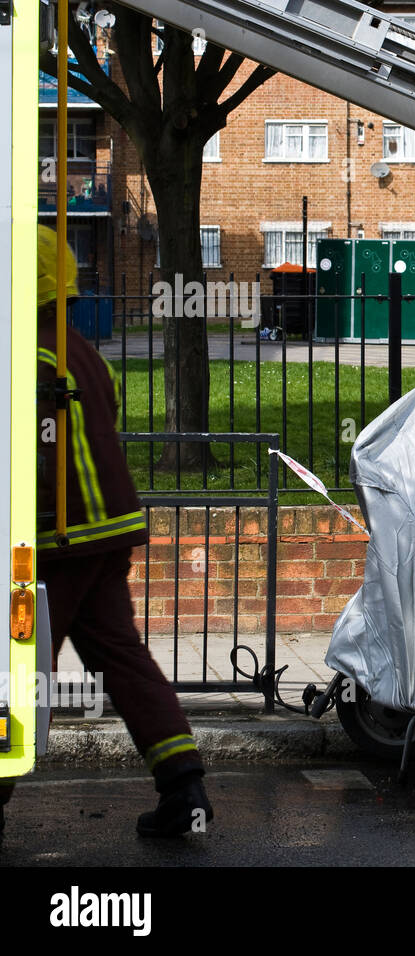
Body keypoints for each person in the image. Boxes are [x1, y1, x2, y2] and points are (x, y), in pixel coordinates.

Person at [5, 225, 213, 839]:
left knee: (16, 668)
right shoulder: (77, 350)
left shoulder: (32, 355)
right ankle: (185, 786)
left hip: (58, 544)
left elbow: (37, 462)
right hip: (105, 535)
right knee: (120, 657)